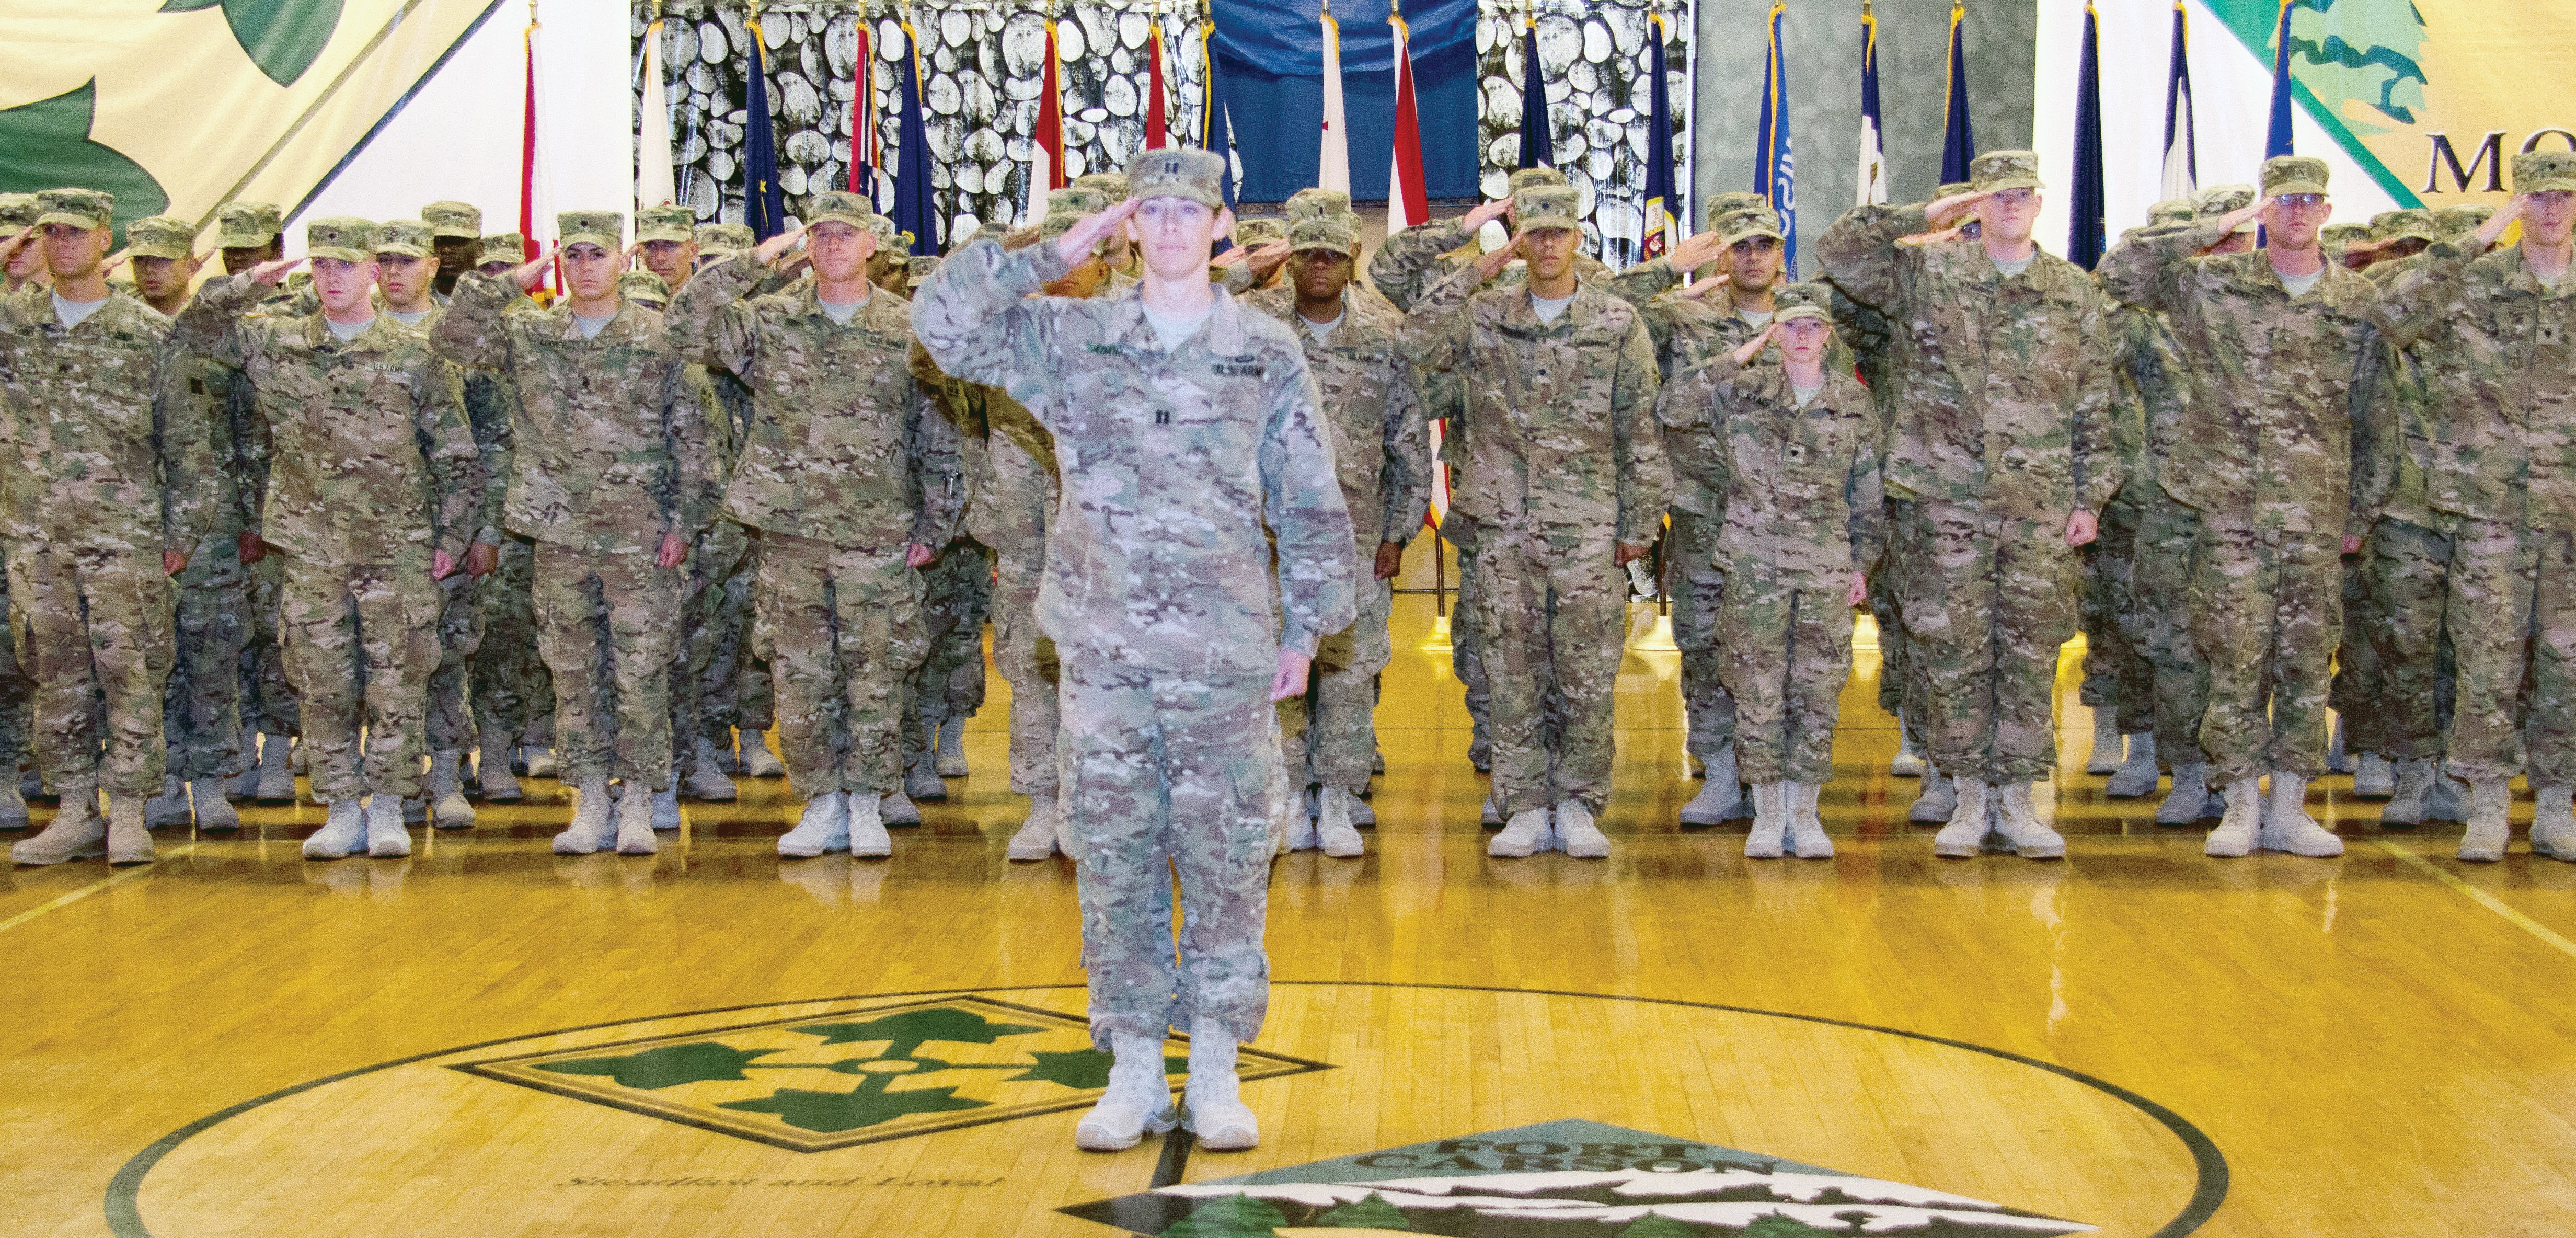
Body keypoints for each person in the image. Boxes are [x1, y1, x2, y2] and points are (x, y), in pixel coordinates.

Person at [913, 147, 1354, 1153]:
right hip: (1105, 649)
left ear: (1217, 228)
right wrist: (1035, 255)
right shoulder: (1073, 336)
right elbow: (938, 326)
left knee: (1228, 853)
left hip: (1225, 650)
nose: (1164, 227)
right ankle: (1127, 1062)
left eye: (1184, 211)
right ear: (1125, 225)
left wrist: (1306, 627)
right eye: (1146, 210)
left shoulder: (1264, 350)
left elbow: (1310, 493)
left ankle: (1212, 1058)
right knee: (1110, 855)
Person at [1818, 151, 2120, 859]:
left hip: (2038, 505)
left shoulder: (2072, 291)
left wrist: (2092, 495)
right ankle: (1965, 795)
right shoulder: (1928, 275)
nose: (2010, 204)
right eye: (1996, 194)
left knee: (2027, 654)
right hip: (1944, 504)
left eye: (2022, 193)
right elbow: (1841, 251)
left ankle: (2016, 802)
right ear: (1978, 204)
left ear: (2040, 202)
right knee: (1953, 651)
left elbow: (2094, 400)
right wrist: (1928, 216)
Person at [2101, 156, 2401, 858]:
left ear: (2327, 212)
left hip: (2315, 516)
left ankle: (2291, 807)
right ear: (2265, 211)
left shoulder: (2356, 301)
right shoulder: (2217, 284)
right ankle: (2238, 802)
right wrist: (2214, 227)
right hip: (2231, 514)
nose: (2297, 211)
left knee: (2302, 665)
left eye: (2310, 201)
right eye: (2283, 201)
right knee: (2234, 660)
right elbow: (2121, 274)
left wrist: (2359, 515)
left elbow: (2376, 416)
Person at [177, 217, 483, 860]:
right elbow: (193, 331)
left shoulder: (414, 354)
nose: (332, 278)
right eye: (320, 265)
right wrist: (245, 285)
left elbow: (457, 456)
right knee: (321, 683)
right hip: (312, 549)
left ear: (373, 273)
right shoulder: (277, 342)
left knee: (397, 684)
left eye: (345, 265)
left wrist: (451, 537)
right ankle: (342, 807)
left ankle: (393, 807)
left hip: (395, 548)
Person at [666, 191, 958, 859]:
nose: (831, 246)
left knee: (875, 672)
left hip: (877, 530)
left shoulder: (908, 326)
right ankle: (821, 802)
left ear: (871, 246)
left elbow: (937, 428)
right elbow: (683, 327)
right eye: (820, 235)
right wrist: (755, 260)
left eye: (844, 235)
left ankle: (866, 803)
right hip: (791, 530)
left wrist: (936, 525)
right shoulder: (769, 321)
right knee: (801, 675)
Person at [434, 211, 716, 856]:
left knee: (642, 670)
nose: (585, 266)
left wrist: (684, 523)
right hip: (560, 532)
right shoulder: (532, 334)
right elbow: (451, 338)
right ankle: (591, 798)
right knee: (573, 671)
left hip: (641, 532)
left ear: (624, 259)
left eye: (598, 254)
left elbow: (692, 438)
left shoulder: (659, 335)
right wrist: (514, 280)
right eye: (574, 255)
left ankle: (641, 799)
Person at [1405, 183, 1668, 859]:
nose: (1547, 245)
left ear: (1578, 237)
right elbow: (1412, 345)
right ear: (1518, 240)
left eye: (1559, 233)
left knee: (1586, 669)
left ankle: (1579, 802)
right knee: (1510, 667)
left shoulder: (1615, 323)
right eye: (1534, 234)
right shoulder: (1484, 314)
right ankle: (1521, 803)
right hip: (1502, 528)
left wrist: (1639, 525)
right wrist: (1477, 269)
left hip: (1587, 528)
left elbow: (1640, 426)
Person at [0, 190, 216, 865]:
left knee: (132, 676)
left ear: (104, 238)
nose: (59, 244)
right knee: (55, 677)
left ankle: (127, 811)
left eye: (72, 232)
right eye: (46, 233)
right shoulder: (12, 325)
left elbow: (188, 447)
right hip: (38, 541)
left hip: (125, 541)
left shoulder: (149, 335)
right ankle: (72, 811)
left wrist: (178, 537)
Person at [2384, 155, 2576, 859]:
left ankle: (2557, 807)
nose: (2551, 209)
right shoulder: (2476, 287)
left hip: (2571, 516)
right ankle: (2487, 807)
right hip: (2491, 515)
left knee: (2568, 670)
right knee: (2487, 663)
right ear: (2518, 202)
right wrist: (2480, 235)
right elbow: (2395, 314)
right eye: (2536, 196)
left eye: (2564, 195)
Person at [1657, 283, 1883, 858]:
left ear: (1828, 336)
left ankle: (1804, 812)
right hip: (1755, 564)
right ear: (1773, 333)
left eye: (1813, 326)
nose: (1802, 336)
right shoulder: (1743, 393)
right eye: (1790, 326)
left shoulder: (1852, 402)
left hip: (1825, 565)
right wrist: (1738, 354)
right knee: (1756, 687)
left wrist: (1862, 563)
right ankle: (1768, 811)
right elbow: (1672, 406)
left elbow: (1868, 494)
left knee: (1815, 689)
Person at [1258, 214, 1431, 857]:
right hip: (1269, 540)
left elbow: (1408, 443)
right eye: (1308, 252)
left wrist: (1399, 531)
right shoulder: (1256, 332)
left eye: (1333, 252)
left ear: (1354, 254)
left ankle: (1335, 797)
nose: (1320, 264)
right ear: (1290, 257)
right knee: (1278, 675)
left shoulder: (1385, 335)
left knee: (1350, 673)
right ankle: (1288, 796)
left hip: (1356, 538)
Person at [120, 216, 256, 834]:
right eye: (141, 261)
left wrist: (256, 518)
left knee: (213, 654)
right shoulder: (120, 331)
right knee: (147, 661)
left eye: (163, 260)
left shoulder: (222, 334)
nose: (151, 272)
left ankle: (213, 780)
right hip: (131, 522)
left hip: (215, 527)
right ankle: (163, 781)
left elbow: (253, 430)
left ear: (193, 263)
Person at [374, 219, 510, 829]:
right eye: (385, 260)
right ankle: (395, 781)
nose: (395, 271)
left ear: (432, 266)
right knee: (385, 665)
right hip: (375, 534)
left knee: (449, 655)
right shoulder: (356, 334)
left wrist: (485, 531)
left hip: (448, 528)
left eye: (408, 260)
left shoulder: (462, 337)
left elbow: (497, 439)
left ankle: (448, 775)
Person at [210, 200, 305, 804]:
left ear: (276, 249)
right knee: (222, 636)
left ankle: (277, 751)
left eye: (253, 249)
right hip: (215, 504)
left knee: (278, 635)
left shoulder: (300, 315)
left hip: (282, 504)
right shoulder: (209, 318)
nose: (242, 259)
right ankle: (233, 751)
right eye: (232, 250)